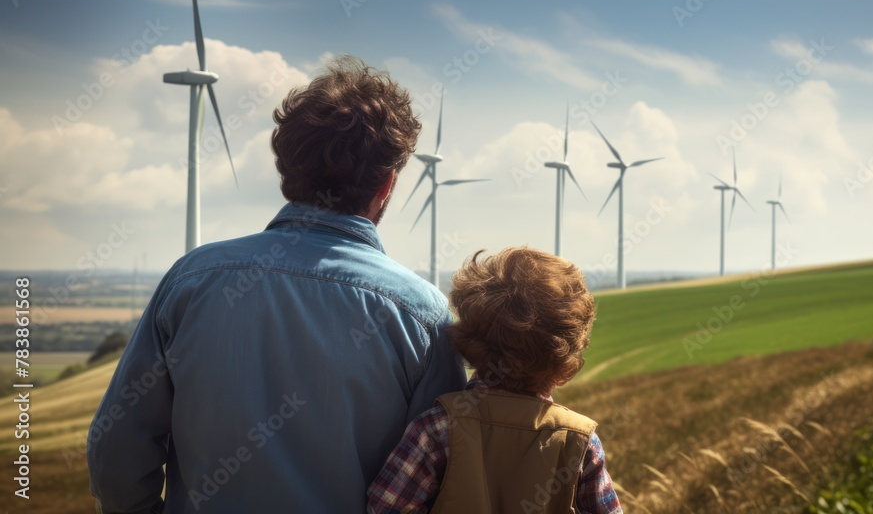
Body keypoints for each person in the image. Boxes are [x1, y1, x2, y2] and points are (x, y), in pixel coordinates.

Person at [87, 56, 467, 513]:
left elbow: (116, 449)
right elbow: (444, 479)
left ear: (286, 170)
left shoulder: (190, 281)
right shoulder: (422, 317)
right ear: (387, 184)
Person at [367, 247, 623, 514]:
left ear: (472, 337)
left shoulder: (435, 429)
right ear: (568, 349)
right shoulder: (579, 441)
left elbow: (384, 508)